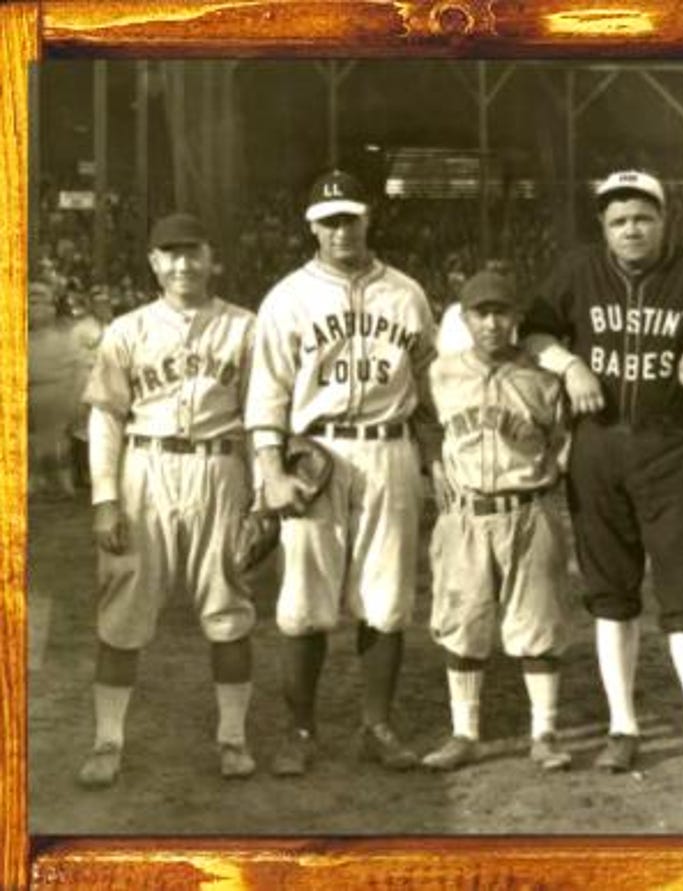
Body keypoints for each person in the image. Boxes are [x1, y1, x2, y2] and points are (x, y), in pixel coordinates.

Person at [520, 169, 683, 775]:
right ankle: (622, 727)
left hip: (672, 444)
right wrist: (567, 364)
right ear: (603, 229)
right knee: (610, 594)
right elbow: (532, 329)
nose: (630, 229)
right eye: (618, 220)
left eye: (642, 217)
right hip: (598, 445)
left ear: (664, 220)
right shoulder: (579, 270)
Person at [246, 169, 436, 776]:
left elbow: (431, 383)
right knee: (304, 600)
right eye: (327, 221)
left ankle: (377, 727)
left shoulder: (406, 293)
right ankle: (299, 731)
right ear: (311, 227)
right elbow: (267, 394)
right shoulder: (287, 297)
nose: (339, 230)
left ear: (368, 218)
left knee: (387, 597)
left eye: (349, 217)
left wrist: (436, 462)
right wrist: (270, 470)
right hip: (314, 456)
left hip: (390, 449)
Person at [77, 212, 258, 787]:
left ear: (212, 258)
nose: (183, 264)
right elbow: (105, 417)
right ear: (154, 262)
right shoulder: (126, 330)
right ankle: (108, 740)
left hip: (220, 466)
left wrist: (260, 501)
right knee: (123, 607)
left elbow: (260, 418)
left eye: (193, 251)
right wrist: (105, 497)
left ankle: (232, 737)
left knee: (229, 606)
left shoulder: (245, 328)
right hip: (145, 468)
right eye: (170, 253)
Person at [421, 270, 573, 772]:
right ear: (464, 318)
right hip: (465, 514)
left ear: (516, 318)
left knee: (538, 623)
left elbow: (563, 441)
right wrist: (434, 464)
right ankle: (465, 733)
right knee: (463, 622)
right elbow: (423, 424)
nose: (491, 322)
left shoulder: (543, 378)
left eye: (501, 312)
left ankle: (544, 732)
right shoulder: (441, 374)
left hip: (528, 509)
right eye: (480, 313)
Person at [28, 280, 81, 500]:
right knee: (32, 441)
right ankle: (33, 480)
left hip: (60, 392)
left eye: (41, 304)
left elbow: (77, 368)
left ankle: (64, 481)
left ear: (51, 309)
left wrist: (75, 398)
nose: (35, 310)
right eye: (31, 304)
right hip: (31, 393)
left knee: (60, 440)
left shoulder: (66, 337)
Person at [69, 285, 115, 488]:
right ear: (92, 306)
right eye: (99, 304)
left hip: (107, 379)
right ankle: (81, 473)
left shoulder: (112, 326)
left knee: (102, 426)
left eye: (106, 303)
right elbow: (73, 356)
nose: (104, 307)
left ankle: (100, 473)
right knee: (82, 428)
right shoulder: (81, 328)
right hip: (84, 378)